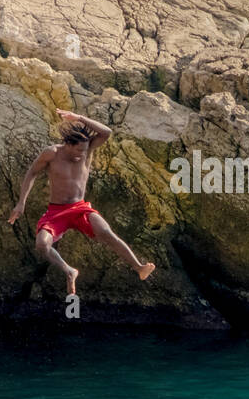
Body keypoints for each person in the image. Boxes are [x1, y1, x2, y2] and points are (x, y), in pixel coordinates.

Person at [9, 109, 155, 295]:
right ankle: (69, 270)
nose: (81, 154)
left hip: (80, 208)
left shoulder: (87, 150)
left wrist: (79, 118)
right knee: (42, 245)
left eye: (85, 150)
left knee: (105, 232)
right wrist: (21, 202)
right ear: (68, 144)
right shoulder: (51, 153)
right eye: (78, 149)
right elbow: (32, 173)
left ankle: (139, 267)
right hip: (56, 212)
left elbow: (106, 132)